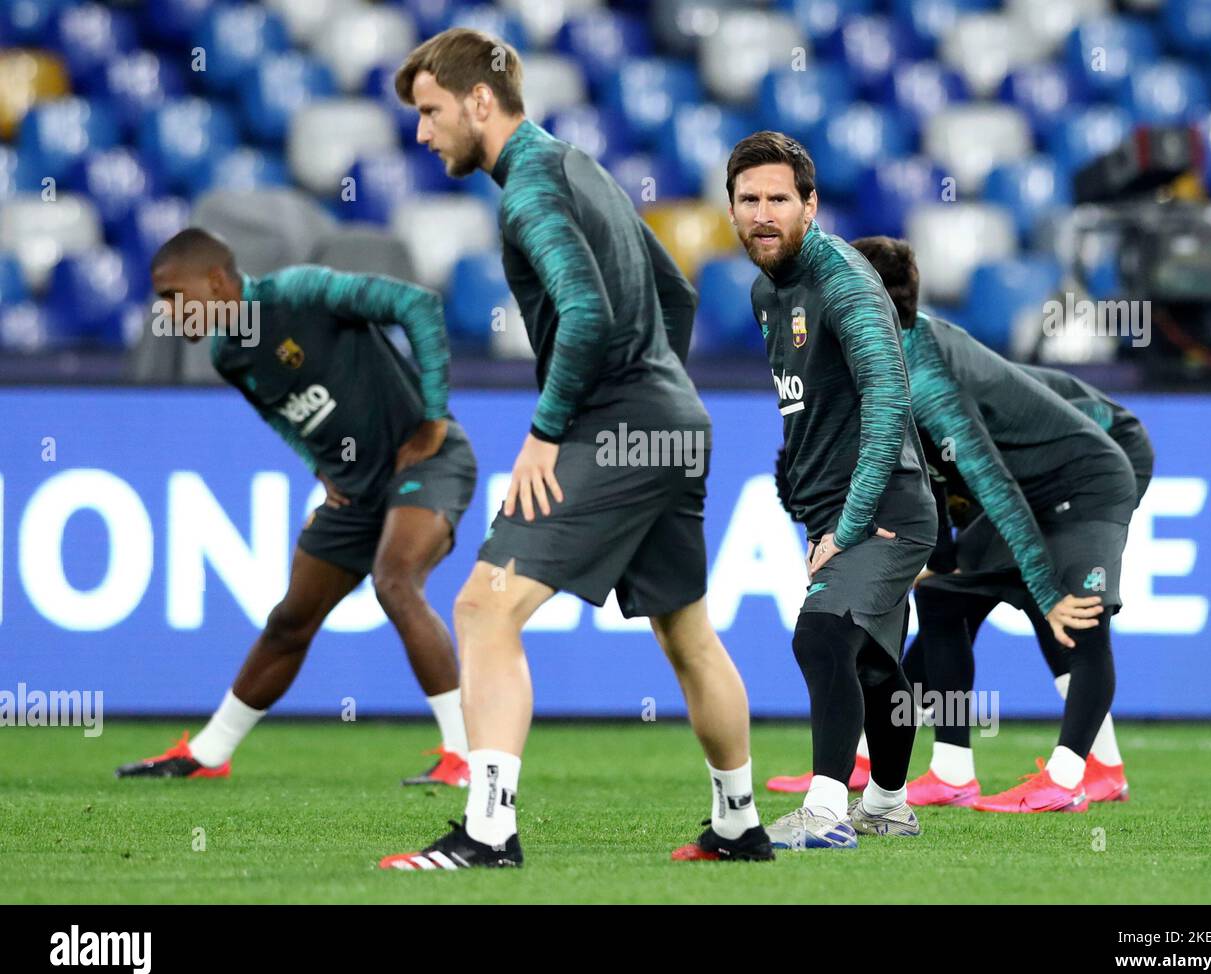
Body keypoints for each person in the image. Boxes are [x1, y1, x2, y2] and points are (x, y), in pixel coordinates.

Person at [380, 29, 773, 871]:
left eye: (429, 111)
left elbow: (588, 314)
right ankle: (739, 822)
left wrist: (551, 430)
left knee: (485, 607)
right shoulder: (579, 164)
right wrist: (661, 384)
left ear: (479, 101)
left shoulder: (527, 190)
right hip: (672, 419)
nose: (422, 133)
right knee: (688, 634)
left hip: (618, 422)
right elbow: (675, 287)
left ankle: (487, 832)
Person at [116, 228, 476, 788]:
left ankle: (465, 755)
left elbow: (417, 304)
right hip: (356, 491)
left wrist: (433, 418)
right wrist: (319, 466)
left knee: (395, 580)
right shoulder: (229, 353)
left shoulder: (300, 292)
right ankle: (209, 752)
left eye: (173, 295)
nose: (167, 311)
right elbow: (282, 416)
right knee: (289, 620)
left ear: (215, 281)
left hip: (424, 463)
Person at [853, 235, 1137, 813]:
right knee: (942, 599)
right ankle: (951, 770)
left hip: (1089, 476)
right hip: (1034, 479)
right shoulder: (899, 347)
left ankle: (1074, 774)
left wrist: (1048, 588)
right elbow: (940, 473)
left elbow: (993, 487)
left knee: (1075, 613)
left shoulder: (926, 380)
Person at [728, 132, 936, 849]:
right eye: (748, 199)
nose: (762, 213)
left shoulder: (845, 281)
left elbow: (887, 398)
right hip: (834, 507)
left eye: (778, 199)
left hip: (883, 508)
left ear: (810, 205)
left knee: (821, 635)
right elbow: (808, 404)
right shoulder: (765, 290)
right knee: (874, 660)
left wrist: (846, 525)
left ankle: (824, 811)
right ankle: (887, 801)